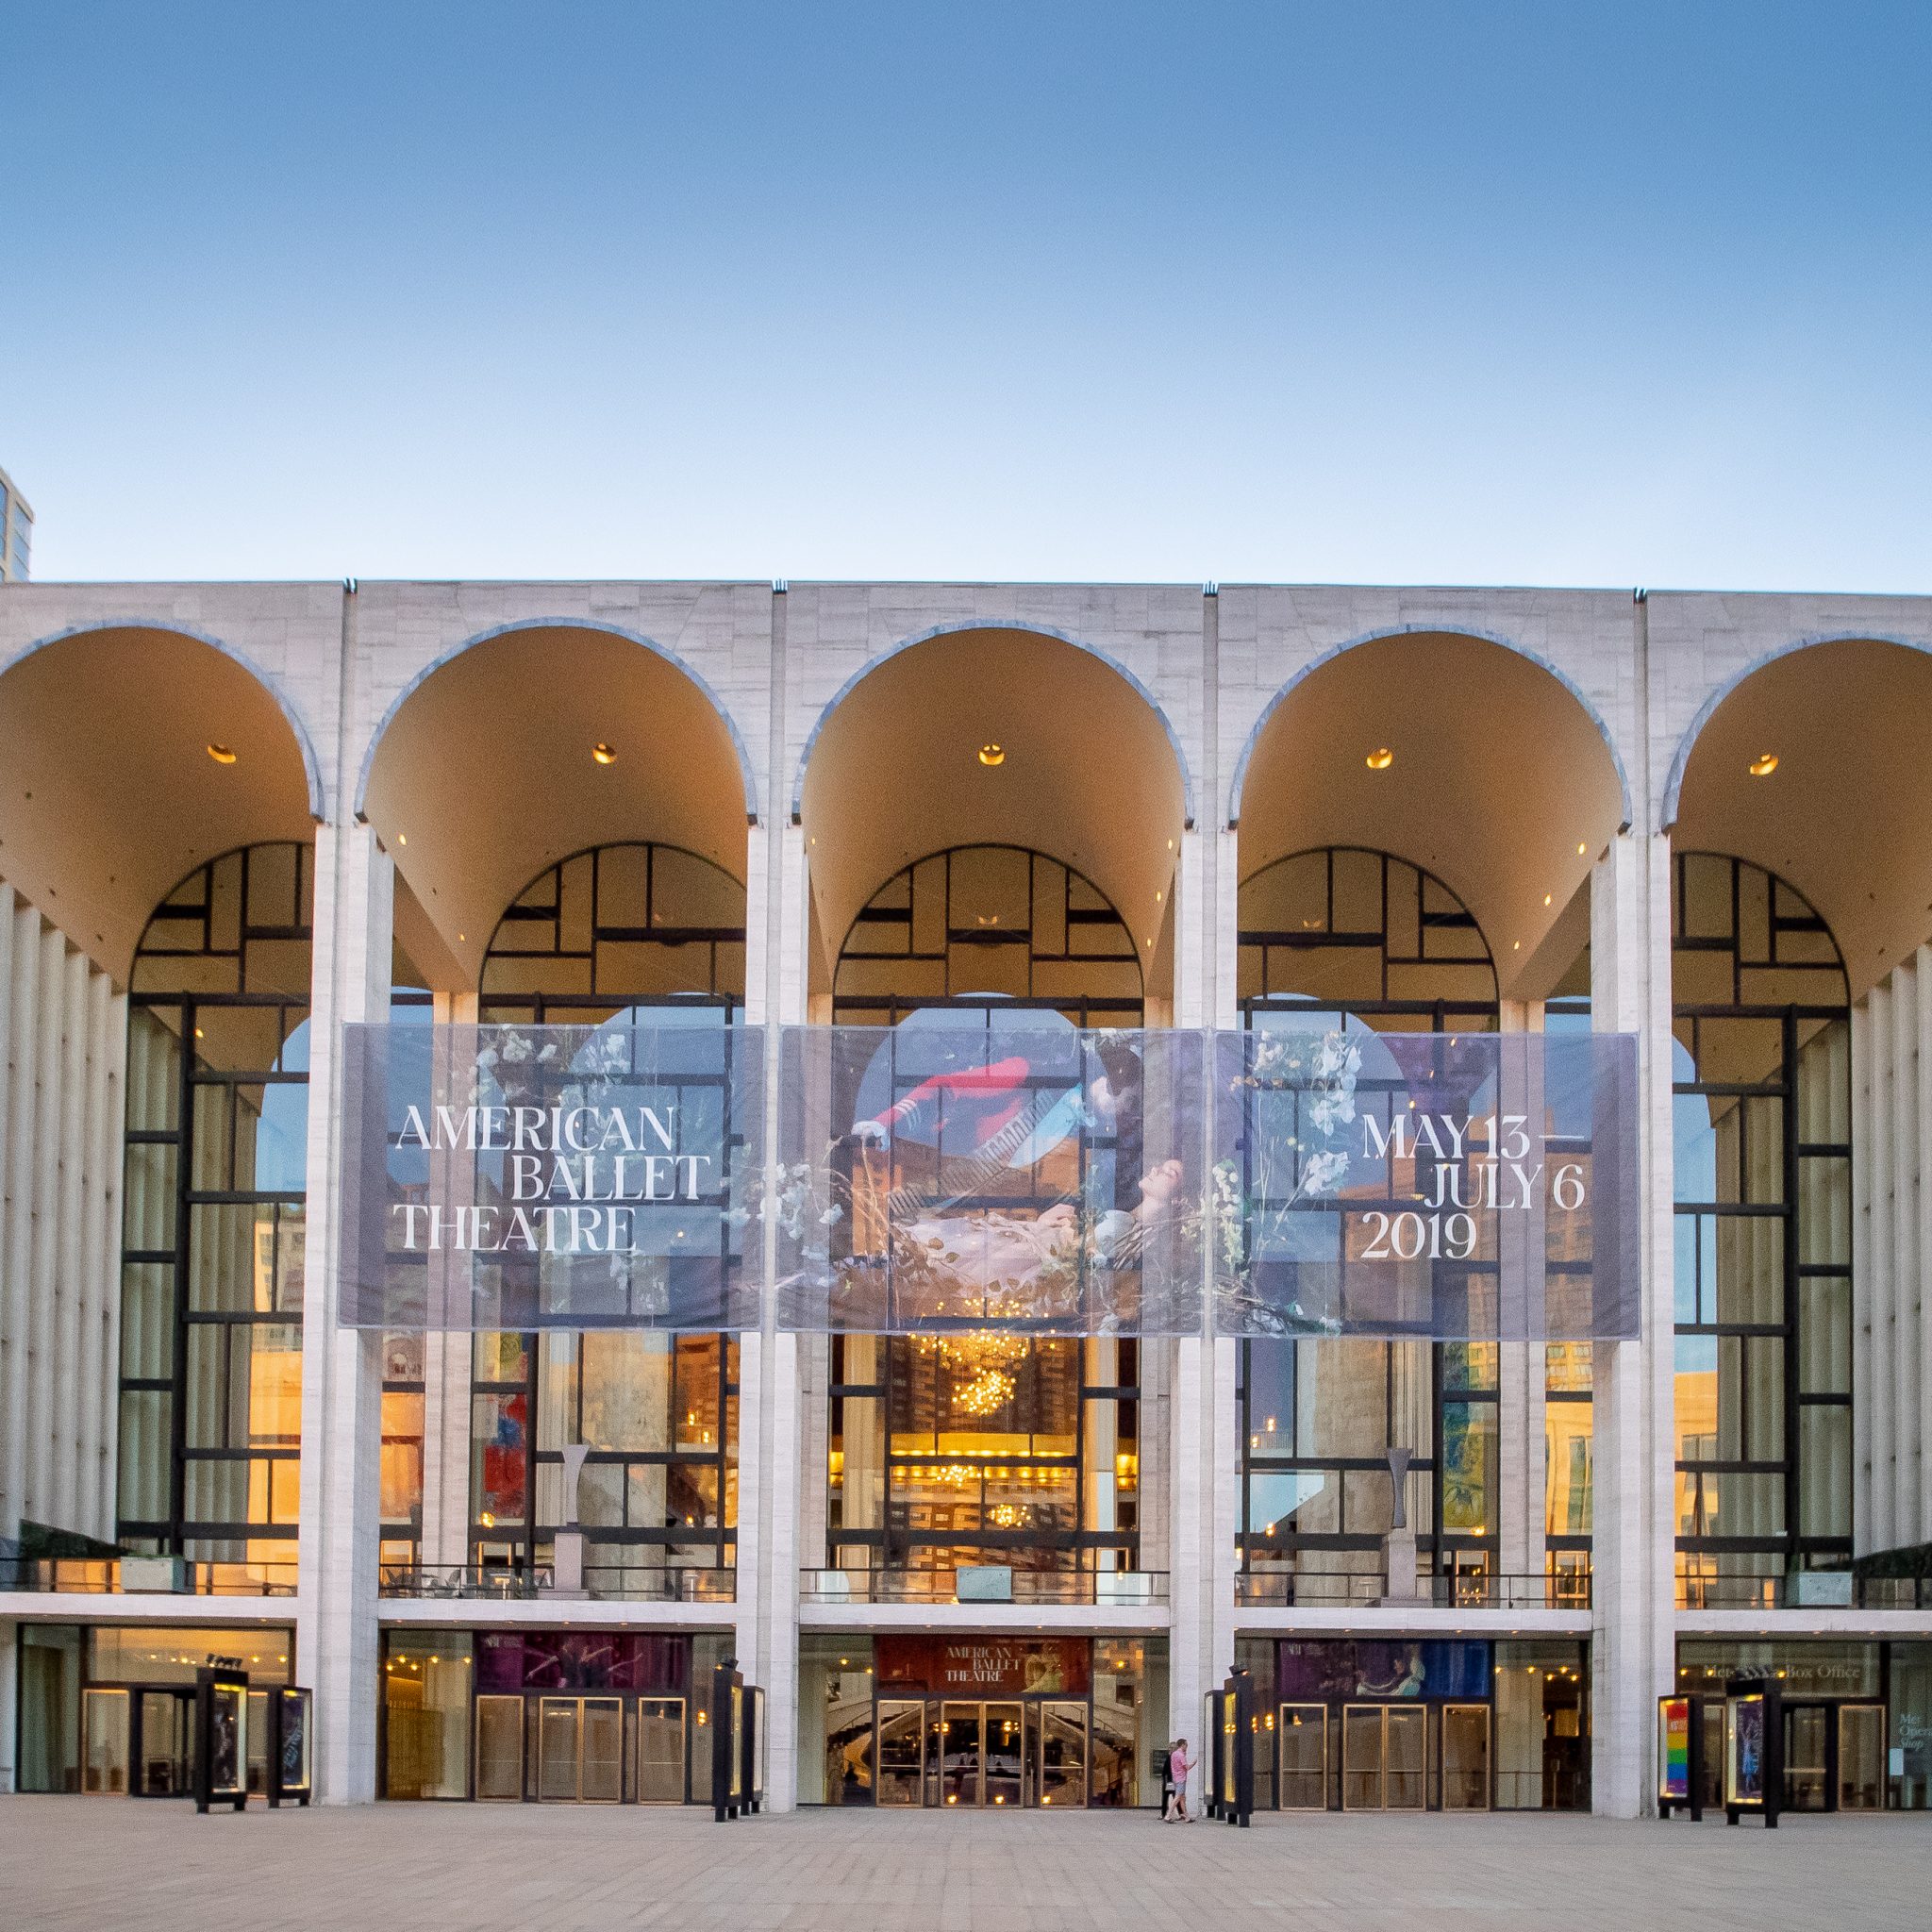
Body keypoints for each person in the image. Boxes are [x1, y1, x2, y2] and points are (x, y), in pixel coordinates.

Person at [1166, 1737, 1192, 1822]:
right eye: (1186, 1745)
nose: (1187, 1746)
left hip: (1176, 1778)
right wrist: (1194, 1763)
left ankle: (1187, 1817)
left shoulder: (1174, 1754)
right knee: (1178, 1797)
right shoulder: (1181, 1755)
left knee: (1182, 1798)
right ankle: (1168, 1815)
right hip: (1181, 1778)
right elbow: (1187, 1767)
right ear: (1182, 1745)